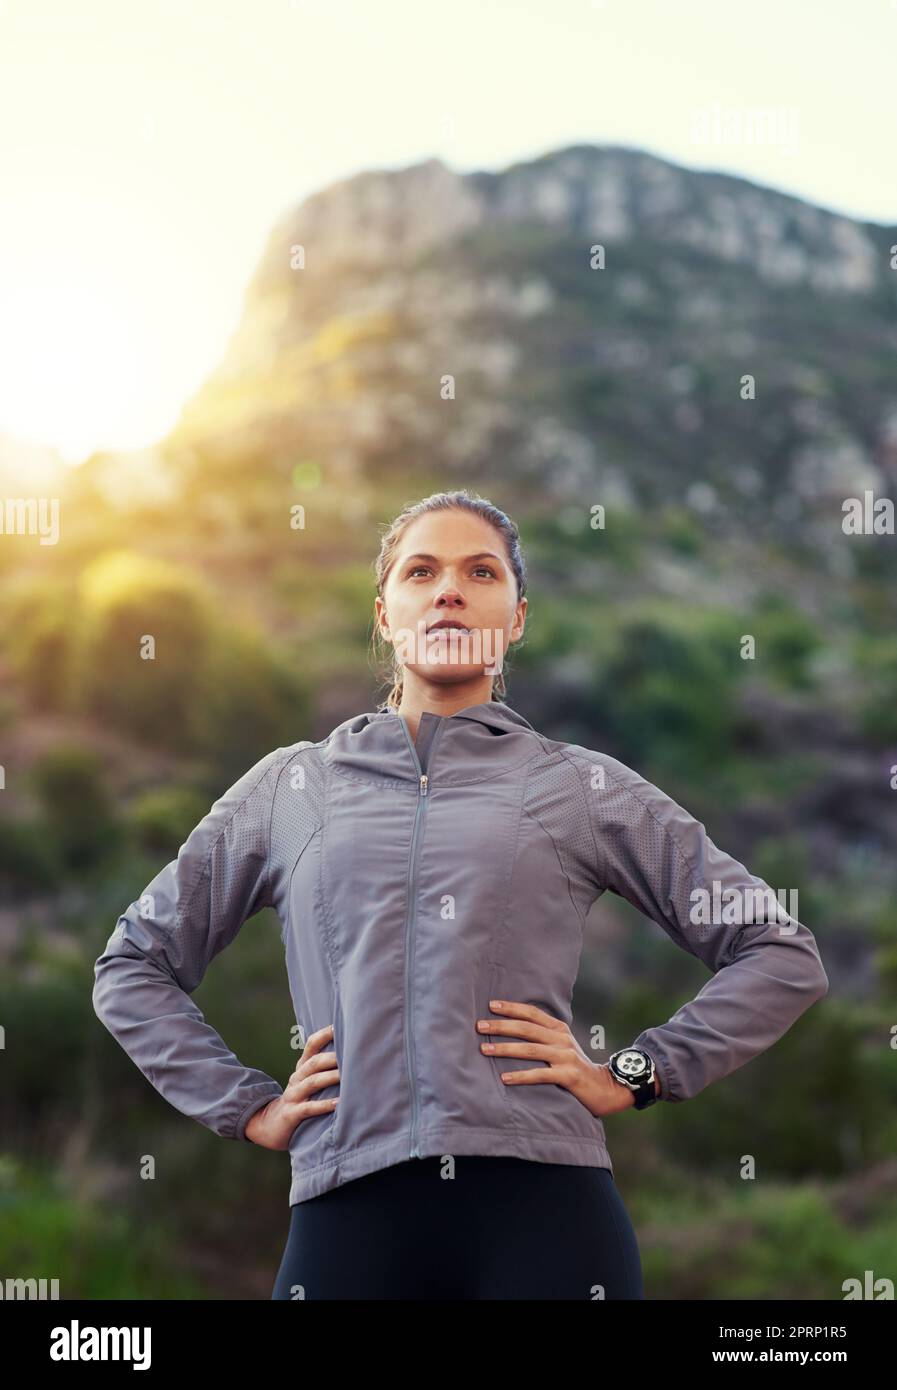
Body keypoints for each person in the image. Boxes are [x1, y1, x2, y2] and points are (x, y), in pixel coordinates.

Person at [92, 489, 829, 1301]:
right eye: (422, 571)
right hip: (347, 1212)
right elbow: (132, 966)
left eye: (480, 572)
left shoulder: (577, 785)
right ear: (384, 613)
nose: (449, 589)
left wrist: (634, 1072)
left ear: (514, 618)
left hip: (546, 1219)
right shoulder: (289, 788)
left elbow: (778, 952)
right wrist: (246, 1106)